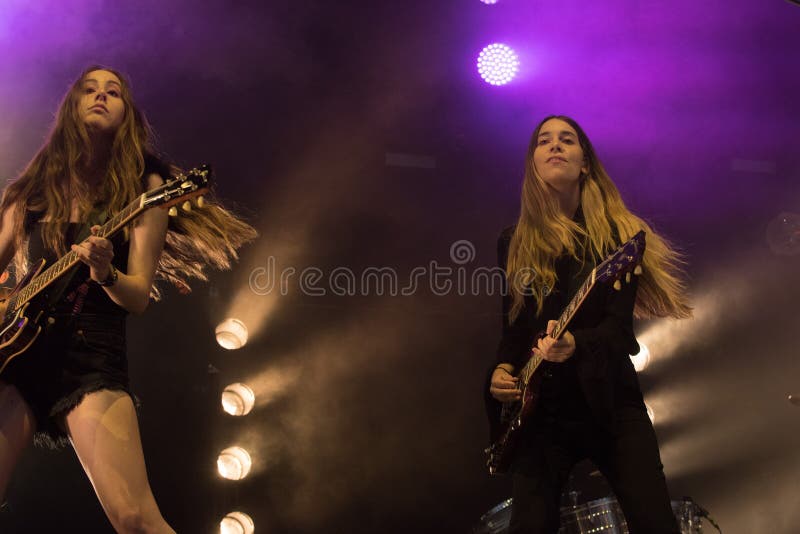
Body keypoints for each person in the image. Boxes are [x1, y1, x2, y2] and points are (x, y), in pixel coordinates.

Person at [0, 66, 256, 533]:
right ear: (71, 108)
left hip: (89, 354)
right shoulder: (32, 190)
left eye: (112, 92)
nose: (100, 96)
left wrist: (105, 271)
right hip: (16, 357)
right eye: (89, 90)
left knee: (136, 518)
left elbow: (137, 295)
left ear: (127, 116)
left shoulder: (147, 187)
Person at [486, 115, 692, 534]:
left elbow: (619, 333)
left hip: (610, 401)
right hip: (543, 410)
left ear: (585, 164)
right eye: (544, 141)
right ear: (534, 164)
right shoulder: (514, 241)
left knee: (656, 524)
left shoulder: (619, 237)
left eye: (566, 140)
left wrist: (575, 345)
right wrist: (501, 371)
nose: (555, 146)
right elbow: (514, 330)